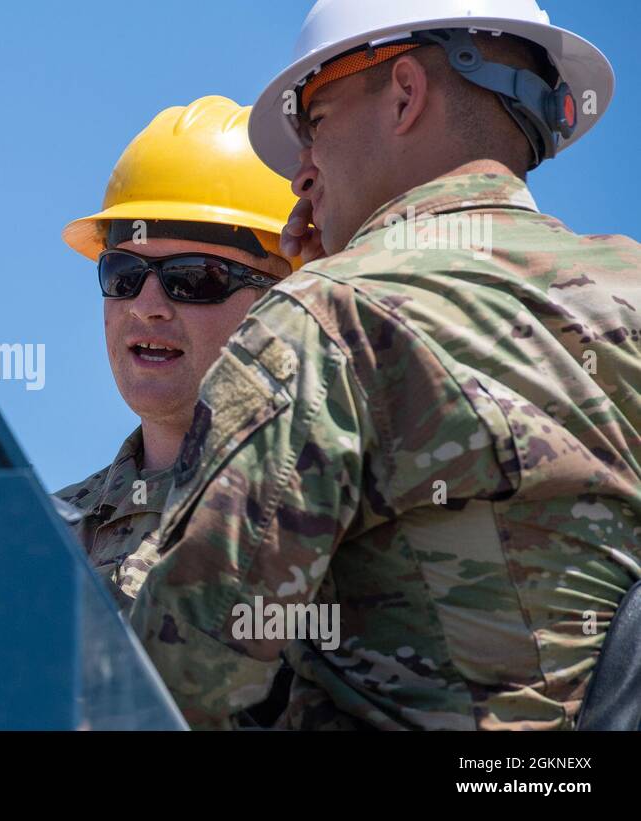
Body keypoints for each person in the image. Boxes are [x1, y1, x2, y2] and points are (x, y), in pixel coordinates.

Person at [129, 0, 641, 730]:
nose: (301, 175)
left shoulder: (329, 317)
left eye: (315, 123)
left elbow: (179, 672)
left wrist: (314, 299)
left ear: (405, 92)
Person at [54, 95, 298, 611]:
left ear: (287, 299)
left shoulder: (326, 515)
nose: (146, 307)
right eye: (123, 275)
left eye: (193, 279)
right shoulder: (45, 534)